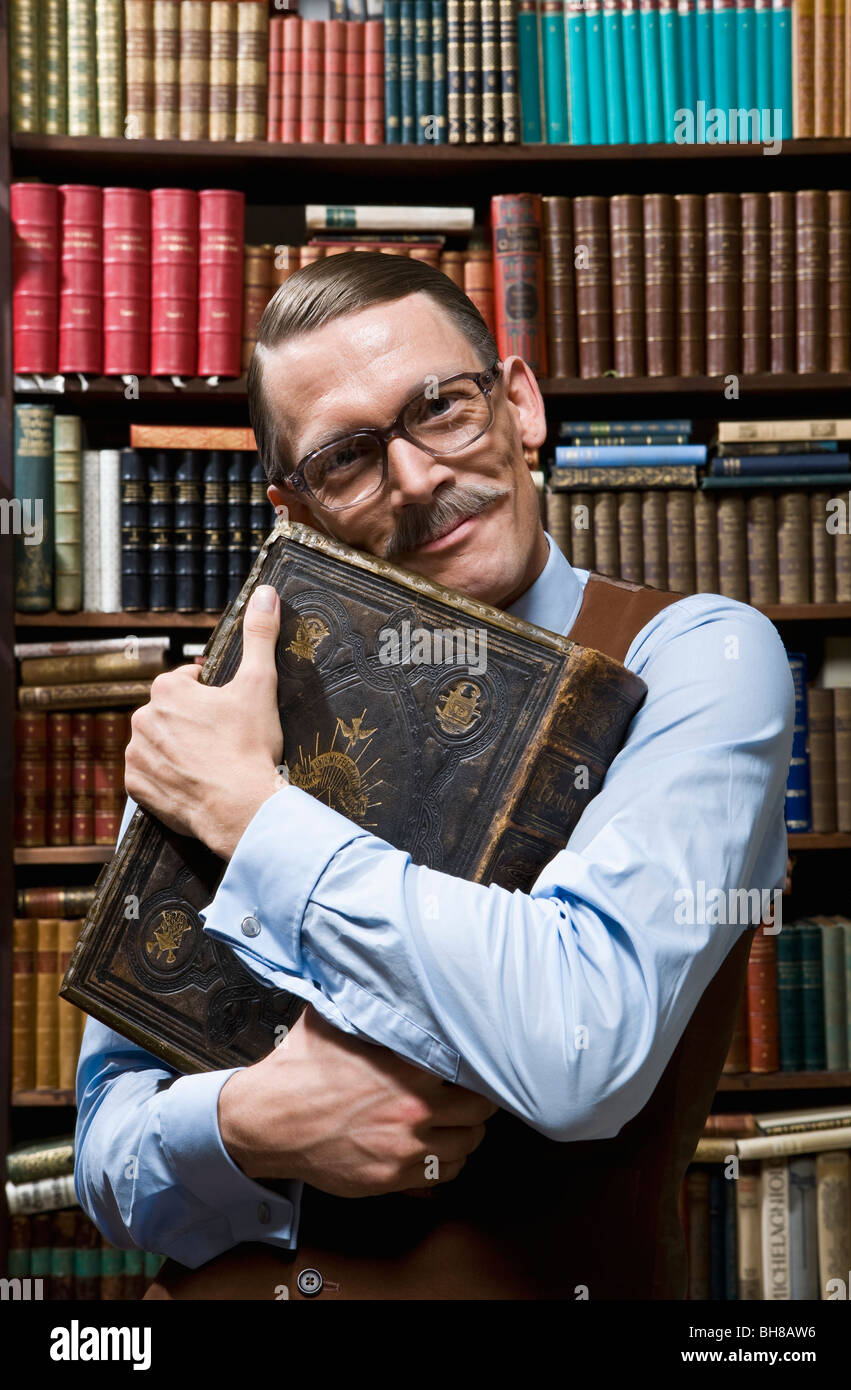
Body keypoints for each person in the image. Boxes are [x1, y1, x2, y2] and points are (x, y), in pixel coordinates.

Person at [74, 252, 794, 1298]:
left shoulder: (699, 658)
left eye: (440, 409)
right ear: (296, 508)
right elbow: (104, 1157)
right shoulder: (225, 709)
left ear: (518, 403)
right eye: (347, 459)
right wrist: (246, 1124)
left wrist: (251, 815)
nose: (415, 478)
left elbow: (577, 1048)